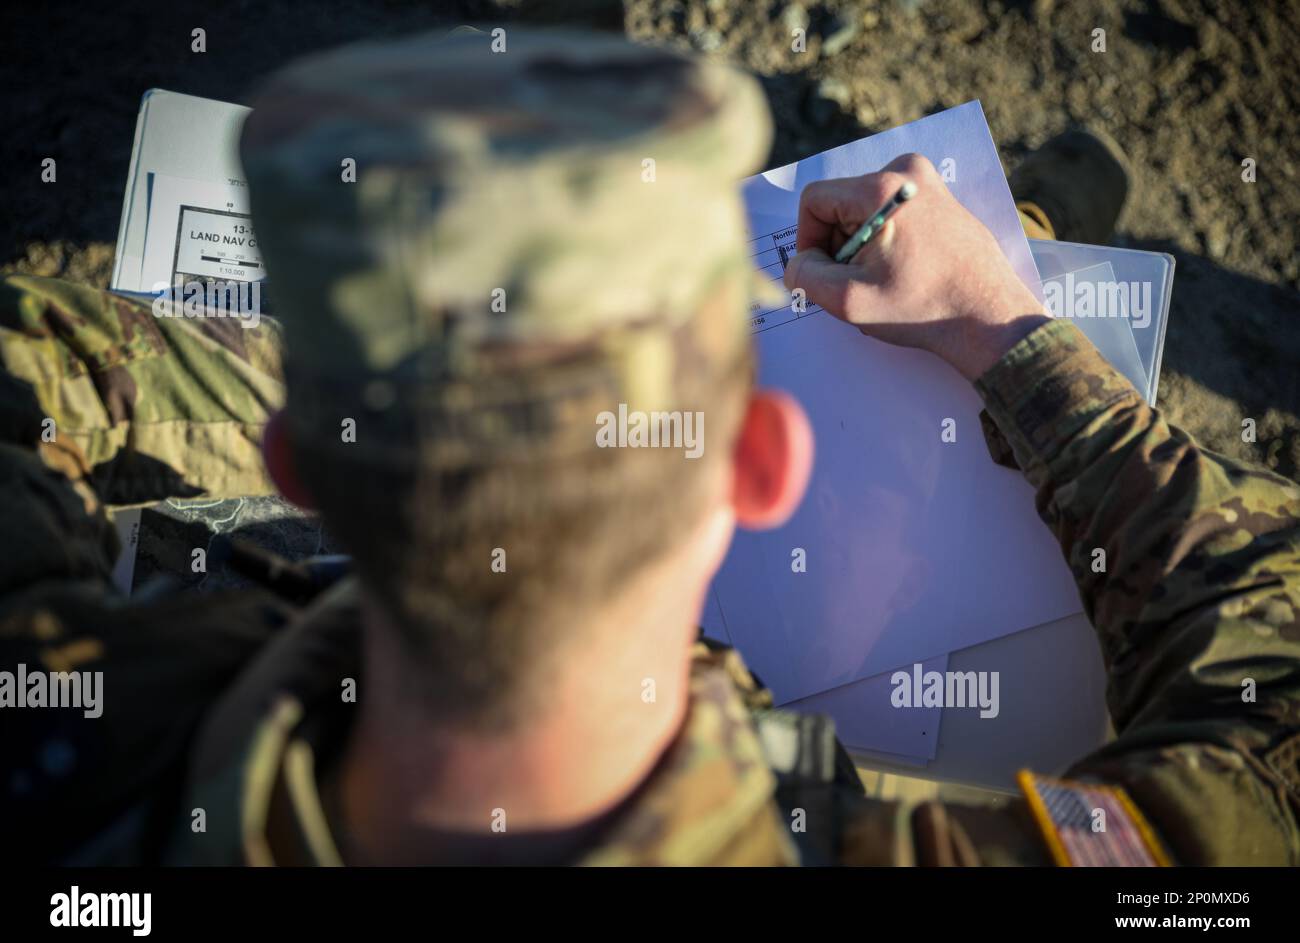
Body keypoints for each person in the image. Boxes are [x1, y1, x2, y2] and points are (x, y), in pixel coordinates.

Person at [1, 27, 1297, 866]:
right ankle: (1026, 215)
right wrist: (1005, 328)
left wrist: (409, 364)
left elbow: (34, 353)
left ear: (291, 465)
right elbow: (1265, 717)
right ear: (759, 463)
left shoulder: (66, 733)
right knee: (997, 233)